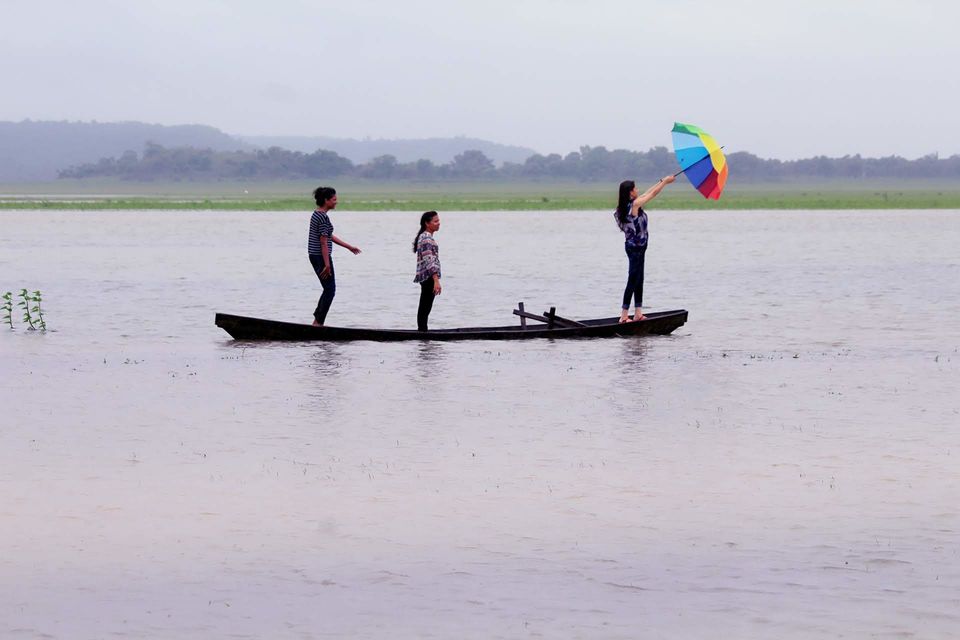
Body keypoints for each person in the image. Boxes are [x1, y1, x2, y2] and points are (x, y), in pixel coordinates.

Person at [614, 175, 676, 322]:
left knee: (639, 279)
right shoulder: (633, 206)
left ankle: (638, 313)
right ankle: (623, 316)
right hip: (634, 249)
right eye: (635, 188)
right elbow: (652, 195)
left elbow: (648, 192)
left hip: (641, 248)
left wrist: (661, 181)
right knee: (632, 279)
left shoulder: (632, 203)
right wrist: (665, 183)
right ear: (630, 192)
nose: (638, 190)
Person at [307, 186, 361, 326]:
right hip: (321, 257)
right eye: (334, 199)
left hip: (315, 255)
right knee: (330, 290)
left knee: (328, 289)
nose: (336, 202)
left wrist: (349, 247)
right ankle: (318, 323)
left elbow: (328, 236)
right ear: (326, 200)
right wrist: (327, 265)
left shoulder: (316, 214)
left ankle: (317, 321)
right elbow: (323, 242)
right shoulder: (323, 217)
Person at [412, 211, 442, 331]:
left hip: (428, 277)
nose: (438, 223)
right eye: (435, 221)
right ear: (427, 223)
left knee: (425, 307)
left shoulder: (425, 237)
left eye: (438, 221)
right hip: (429, 277)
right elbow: (429, 260)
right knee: (425, 307)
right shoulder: (426, 238)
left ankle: (423, 333)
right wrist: (436, 280)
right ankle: (422, 333)